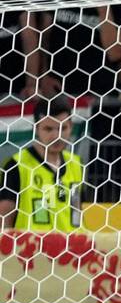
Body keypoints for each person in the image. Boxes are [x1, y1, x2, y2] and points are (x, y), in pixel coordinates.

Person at [0, 95, 82, 231]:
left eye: (63, 128)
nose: (57, 136)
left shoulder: (76, 164)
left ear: (71, 126)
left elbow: (77, 213)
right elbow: (4, 221)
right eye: (49, 129)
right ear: (36, 128)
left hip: (72, 249)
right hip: (31, 249)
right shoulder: (17, 165)